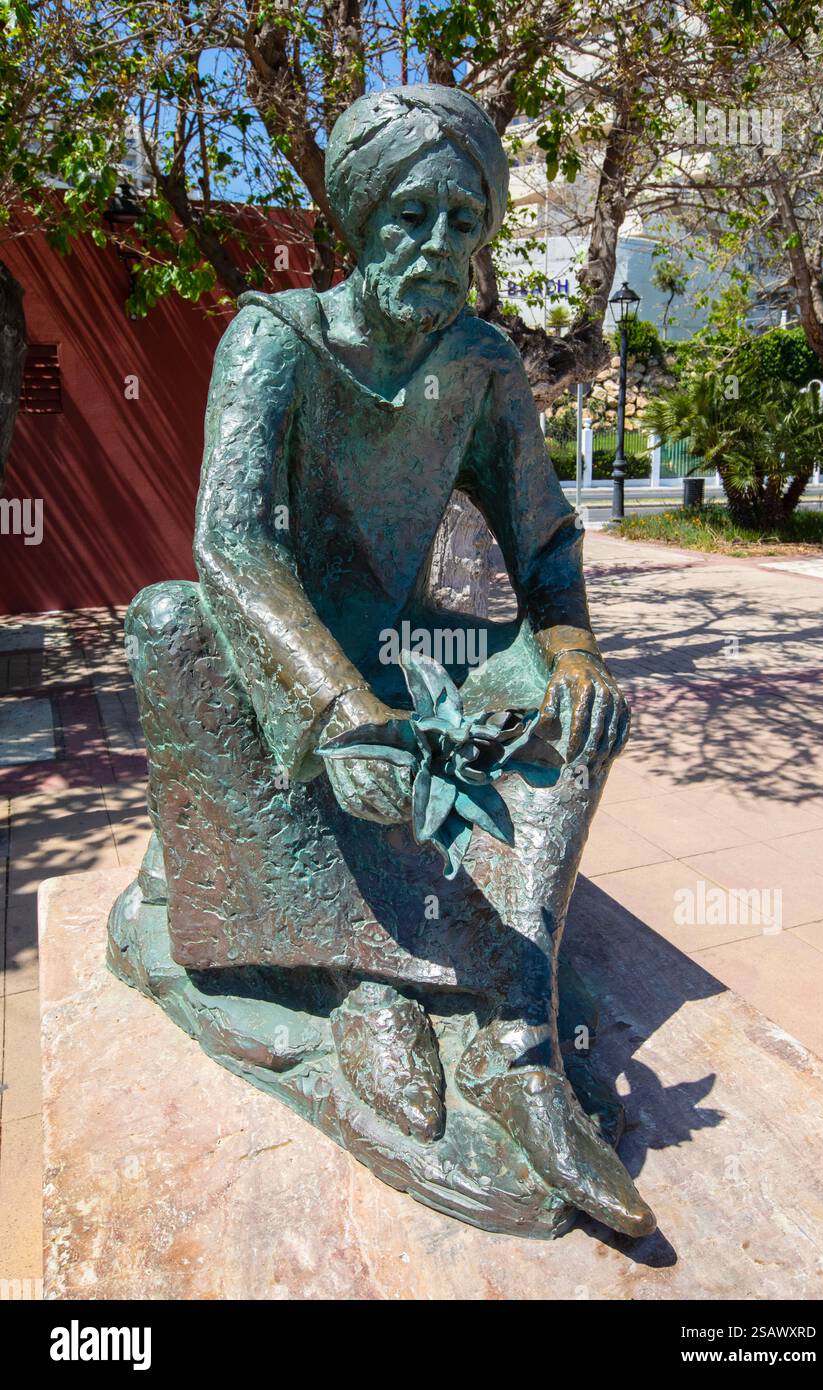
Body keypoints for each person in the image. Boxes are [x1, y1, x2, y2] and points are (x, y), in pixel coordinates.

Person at [110, 85, 655, 1238]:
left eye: (465, 221)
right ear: (358, 223)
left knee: (569, 708)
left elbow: (544, 544)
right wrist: (339, 711)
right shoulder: (275, 338)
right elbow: (233, 547)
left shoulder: (481, 365)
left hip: (406, 661)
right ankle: (377, 978)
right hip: (288, 670)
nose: (438, 245)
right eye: (410, 215)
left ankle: (513, 1035)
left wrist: (566, 650)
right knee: (167, 622)